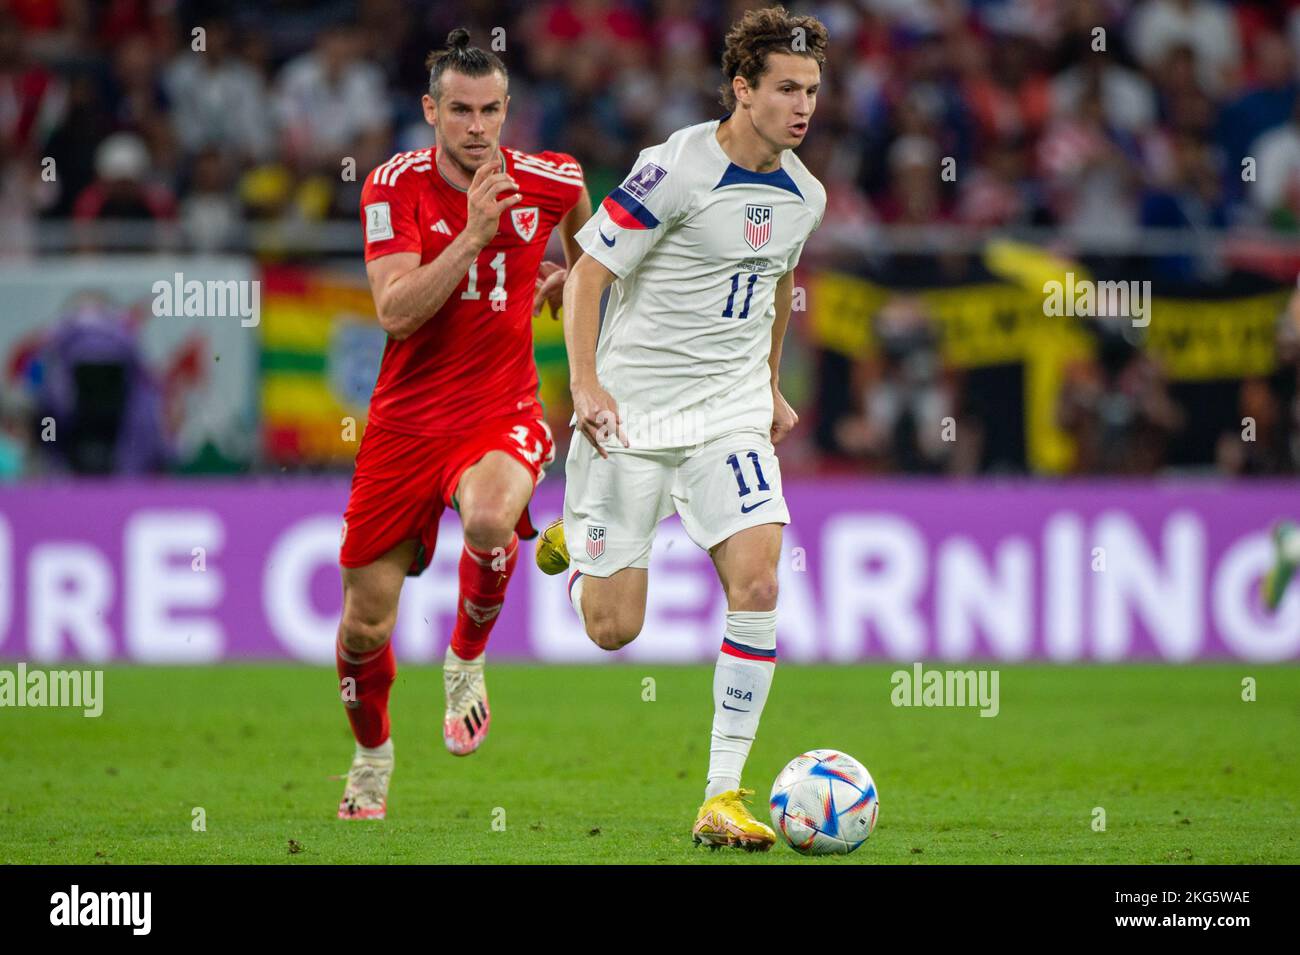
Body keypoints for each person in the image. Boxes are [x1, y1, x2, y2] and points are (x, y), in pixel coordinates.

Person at [535, 5, 828, 850]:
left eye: (811, 90)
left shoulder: (805, 194)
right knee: (613, 628)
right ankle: (573, 534)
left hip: (726, 417)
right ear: (742, 88)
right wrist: (585, 382)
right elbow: (589, 274)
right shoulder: (675, 168)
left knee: (761, 583)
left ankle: (722, 793)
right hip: (630, 412)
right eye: (784, 89)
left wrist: (769, 386)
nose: (802, 106)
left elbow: (775, 290)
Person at [336, 29, 591, 820]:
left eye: (490, 111)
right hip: (405, 426)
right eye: (459, 111)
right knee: (362, 628)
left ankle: (466, 660)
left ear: (508, 110)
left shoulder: (552, 178)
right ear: (430, 111)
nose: (477, 127)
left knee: (487, 517)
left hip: (501, 408)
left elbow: (599, 257)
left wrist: (568, 277)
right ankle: (373, 755)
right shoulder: (392, 186)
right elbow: (395, 310)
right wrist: (477, 234)